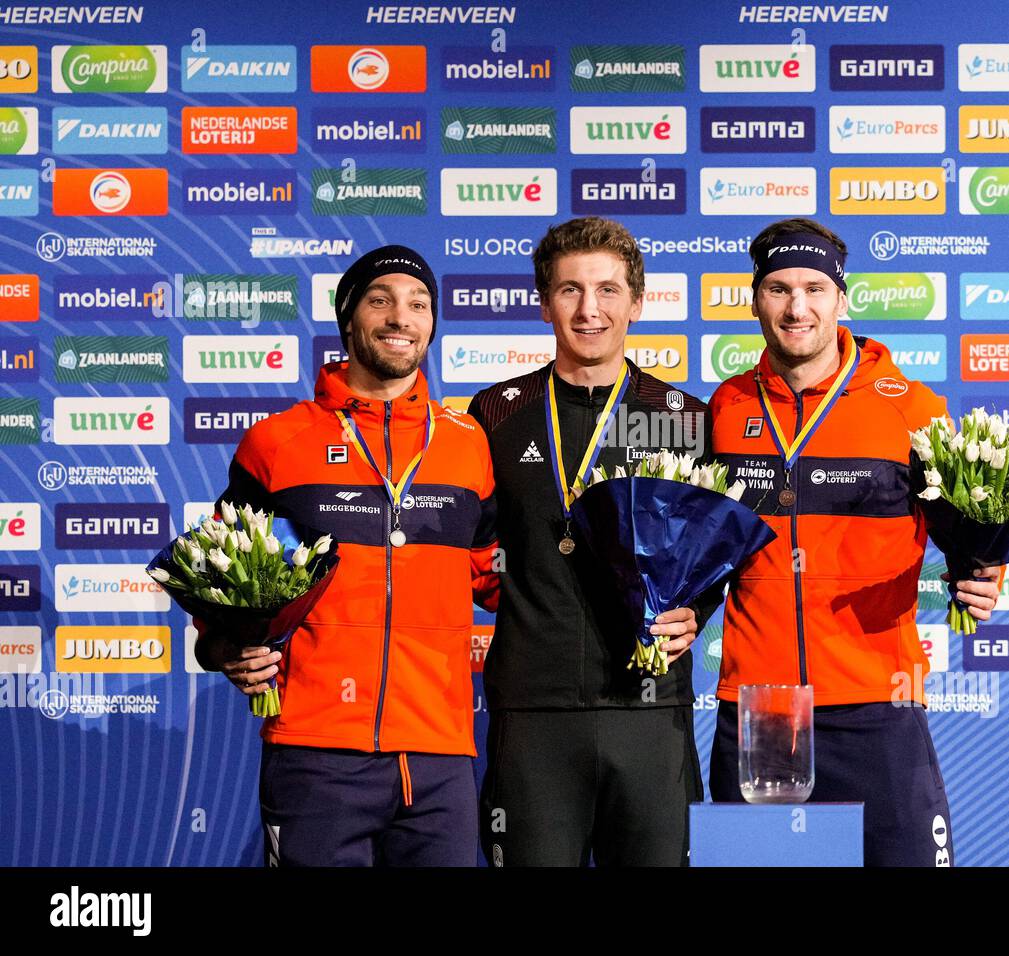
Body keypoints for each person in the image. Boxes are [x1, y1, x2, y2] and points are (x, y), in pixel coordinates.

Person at [707, 218, 1002, 867]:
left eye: (814, 287)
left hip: (877, 703)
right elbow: (701, 546)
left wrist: (982, 572)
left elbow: (966, 530)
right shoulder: (724, 410)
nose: (797, 307)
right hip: (760, 710)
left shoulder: (911, 408)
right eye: (779, 289)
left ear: (843, 298)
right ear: (756, 298)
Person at [195, 245, 498, 867]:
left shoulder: (469, 446)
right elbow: (217, 584)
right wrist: (227, 650)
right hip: (316, 749)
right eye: (380, 300)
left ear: (433, 325)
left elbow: (497, 576)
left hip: (440, 755)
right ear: (348, 317)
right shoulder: (277, 442)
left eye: (418, 305)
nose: (400, 318)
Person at [468, 216, 721, 866]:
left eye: (608, 290)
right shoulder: (493, 414)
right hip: (533, 714)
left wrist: (698, 608)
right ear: (544, 300)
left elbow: (716, 552)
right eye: (570, 290)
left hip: (649, 711)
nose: (590, 310)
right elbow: (467, 547)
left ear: (637, 302)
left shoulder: (687, 419)